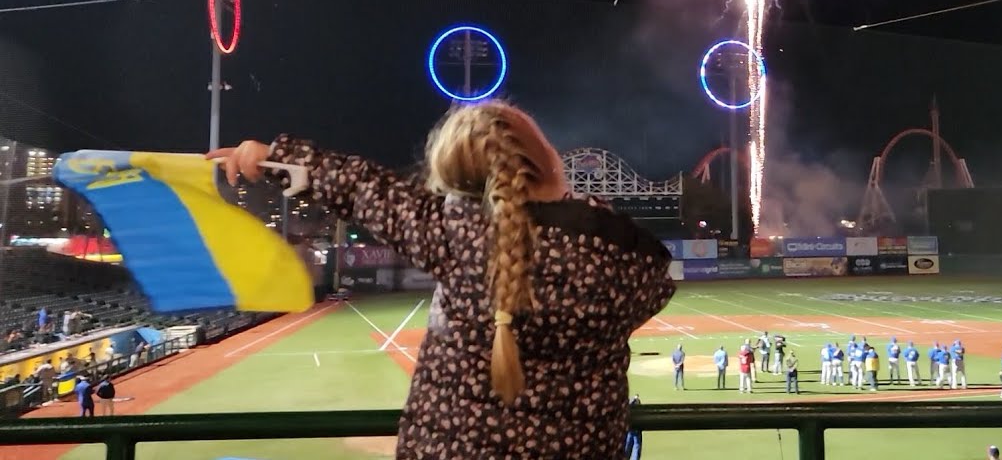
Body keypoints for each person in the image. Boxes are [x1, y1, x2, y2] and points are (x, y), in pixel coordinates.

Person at [212, 100, 676, 459]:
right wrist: (582, 209)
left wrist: (277, 158)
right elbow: (658, 275)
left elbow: (363, 188)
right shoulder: (619, 257)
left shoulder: (452, 232)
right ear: (549, 164)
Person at [622, 395, 642, 460]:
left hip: (630, 429)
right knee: (636, 446)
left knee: (629, 446)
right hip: (635, 429)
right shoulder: (638, 410)